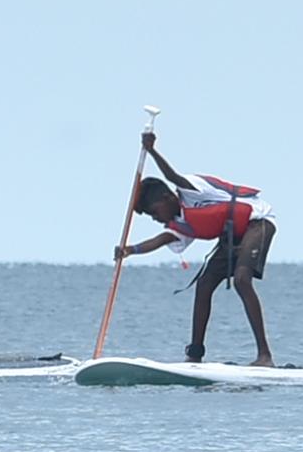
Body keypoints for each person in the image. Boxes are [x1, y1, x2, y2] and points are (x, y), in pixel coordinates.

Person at [115, 132, 278, 366]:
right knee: (204, 285)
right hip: (232, 236)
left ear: (166, 197)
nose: (155, 218)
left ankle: (265, 356)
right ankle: (195, 354)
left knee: (242, 279)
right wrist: (130, 250)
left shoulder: (191, 190)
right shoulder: (181, 222)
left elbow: (172, 176)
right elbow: (162, 239)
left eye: (154, 212)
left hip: (258, 221)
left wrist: (151, 151)